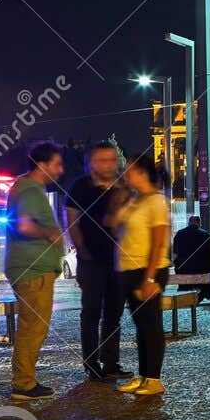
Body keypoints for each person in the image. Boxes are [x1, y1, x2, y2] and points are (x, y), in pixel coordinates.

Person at [6, 141, 68, 401]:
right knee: (33, 328)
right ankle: (24, 384)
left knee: (31, 327)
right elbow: (23, 225)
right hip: (33, 270)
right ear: (42, 165)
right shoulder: (30, 190)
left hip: (32, 268)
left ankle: (24, 381)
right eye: (57, 164)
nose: (61, 170)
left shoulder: (27, 188)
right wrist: (50, 233)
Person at [66, 142, 129, 381]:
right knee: (91, 312)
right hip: (90, 259)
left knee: (115, 312)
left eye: (112, 159)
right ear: (91, 162)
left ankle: (111, 361)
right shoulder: (80, 186)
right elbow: (70, 219)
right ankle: (91, 363)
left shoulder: (123, 186)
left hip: (119, 259)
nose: (109, 164)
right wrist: (82, 250)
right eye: (103, 160)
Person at [112, 154, 172, 397]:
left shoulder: (156, 202)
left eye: (130, 170)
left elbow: (159, 243)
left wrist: (150, 279)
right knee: (141, 326)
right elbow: (114, 224)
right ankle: (145, 375)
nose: (125, 174)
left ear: (142, 173)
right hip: (129, 269)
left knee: (151, 325)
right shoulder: (135, 200)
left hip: (148, 269)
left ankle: (154, 379)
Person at [172, 213, 210, 299]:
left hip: (183, 268)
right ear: (199, 223)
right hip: (202, 268)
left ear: (189, 223)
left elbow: (175, 251)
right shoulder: (205, 234)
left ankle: (184, 291)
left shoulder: (180, 233)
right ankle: (204, 294)